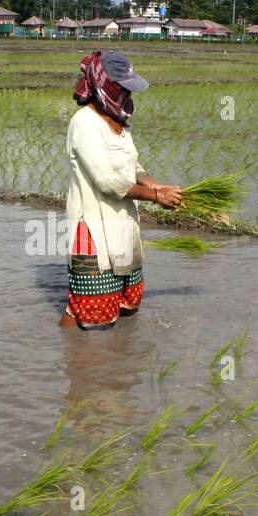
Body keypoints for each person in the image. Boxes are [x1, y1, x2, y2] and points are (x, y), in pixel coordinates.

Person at [59, 50, 182, 329]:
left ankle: (120, 359)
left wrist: (158, 186)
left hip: (123, 225)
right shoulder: (84, 124)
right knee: (84, 308)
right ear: (105, 86)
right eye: (123, 88)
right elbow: (107, 180)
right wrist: (154, 196)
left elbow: (133, 166)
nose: (128, 95)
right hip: (92, 228)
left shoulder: (119, 122)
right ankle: (70, 358)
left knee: (127, 304)